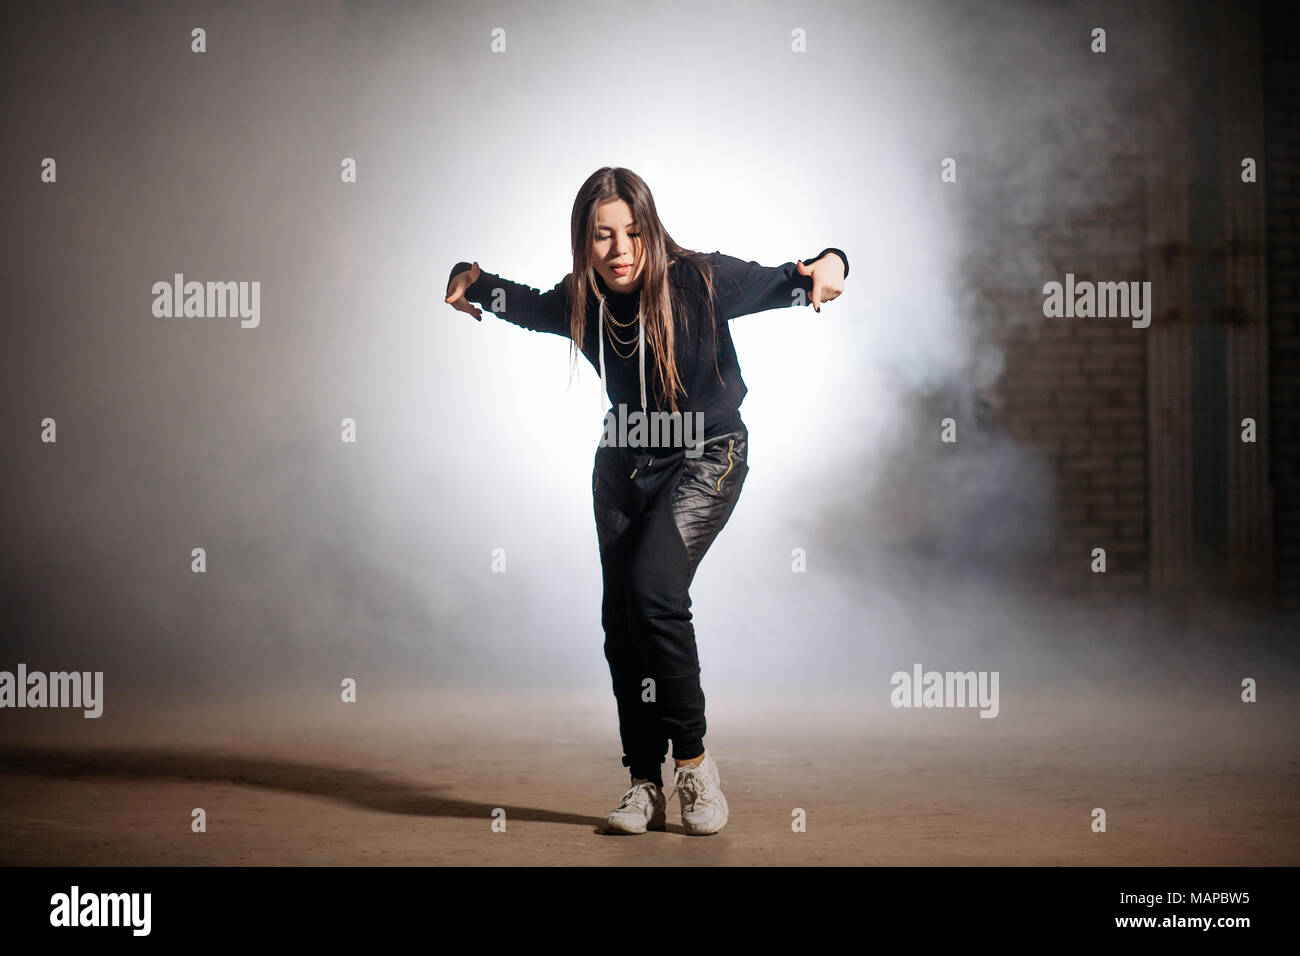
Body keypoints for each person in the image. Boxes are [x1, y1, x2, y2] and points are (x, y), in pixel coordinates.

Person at [444, 167, 848, 835]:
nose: (621, 248)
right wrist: (467, 277)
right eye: (603, 235)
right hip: (624, 467)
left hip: (707, 455)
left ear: (651, 229)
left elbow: (798, 276)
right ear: (585, 242)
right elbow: (509, 297)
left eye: (632, 231)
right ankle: (643, 784)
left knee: (654, 588)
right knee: (621, 618)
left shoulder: (702, 279)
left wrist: (831, 265)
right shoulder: (581, 299)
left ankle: (693, 768)